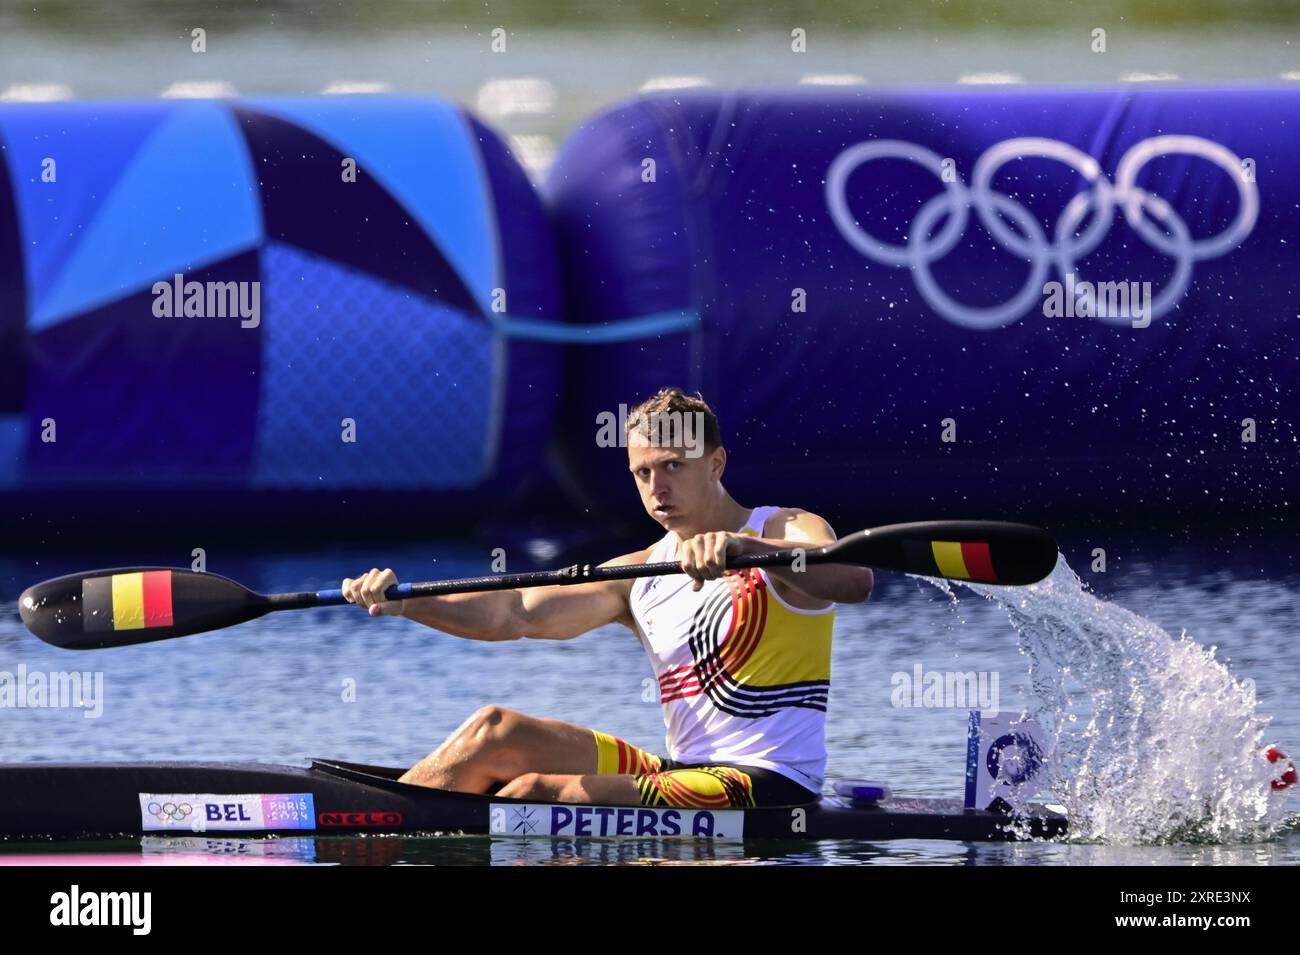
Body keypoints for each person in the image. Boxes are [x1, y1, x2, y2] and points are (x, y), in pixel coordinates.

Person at [342, 387, 873, 808]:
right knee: (492, 731)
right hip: (686, 774)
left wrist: (746, 548)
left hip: (770, 784)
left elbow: (854, 579)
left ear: (716, 463)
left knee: (534, 793)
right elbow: (514, 612)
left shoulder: (784, 526)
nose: (656, 487)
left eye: (673, 466)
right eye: (642, 472)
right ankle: (382, 817)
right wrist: (406, 602)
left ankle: (384, 829)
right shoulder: (637, 574)